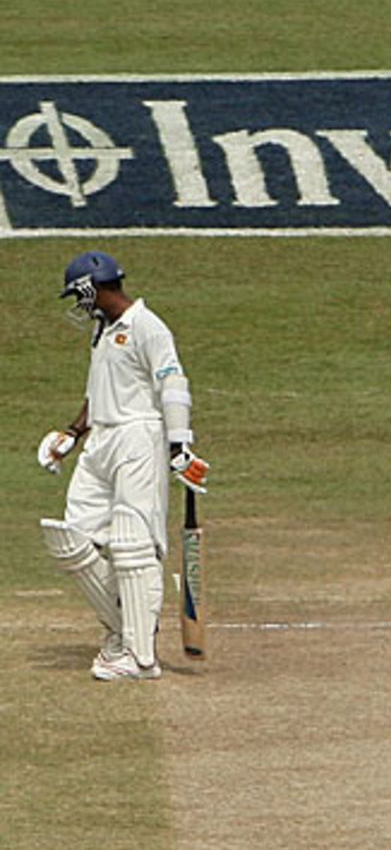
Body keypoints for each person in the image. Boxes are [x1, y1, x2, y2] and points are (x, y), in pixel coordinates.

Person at [37, 251, 209, 680]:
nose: (79, 305)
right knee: (72, 537)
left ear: (91, 288)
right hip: (102, 440)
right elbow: (98, 392)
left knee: (131, 546)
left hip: (139, 436)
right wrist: (72, 434)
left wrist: (178, 446)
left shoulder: (148, 327)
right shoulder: (102, 330)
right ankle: (124, 631)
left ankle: (139, 656)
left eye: (79, 296)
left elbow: (173, 384)